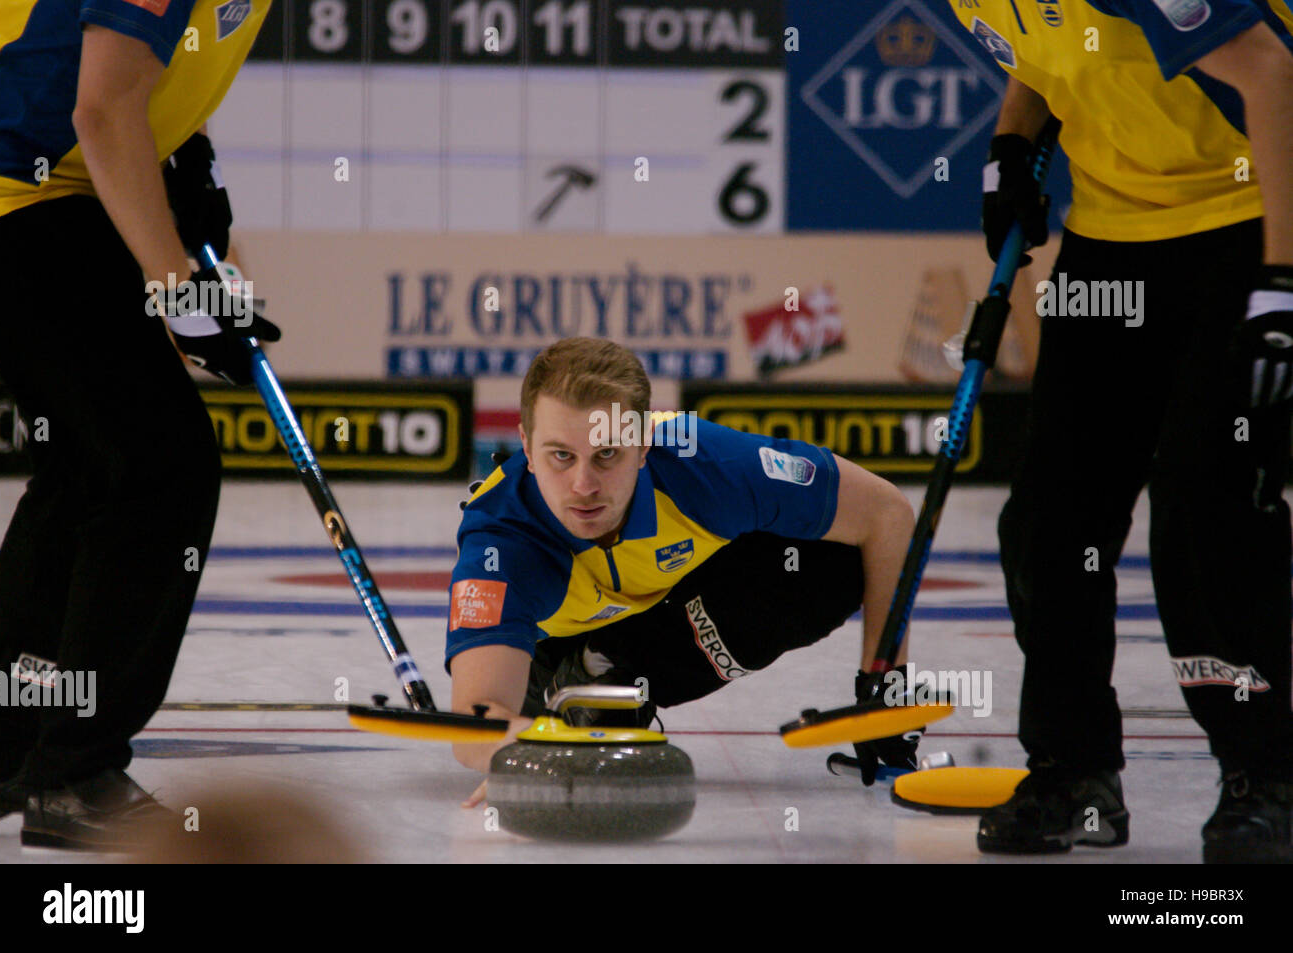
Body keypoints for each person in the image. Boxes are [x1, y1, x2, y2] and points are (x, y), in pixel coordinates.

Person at [948, 0, 1293, 861]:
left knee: (1209, 505)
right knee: (1048, 522)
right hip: (1110, 239)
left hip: (1246, 220)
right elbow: (1048, 42)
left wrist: (1284, 281)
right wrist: (1014, 145)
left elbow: (1273, 74)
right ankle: (1072, 772)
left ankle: (1267, 774)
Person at [0, 0, 279, 849]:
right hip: (20, 188)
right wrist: (180, 292)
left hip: (57, 188)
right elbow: (101, 107)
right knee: (158, 462)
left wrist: (188, 180)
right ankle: (73, 771)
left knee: (95, 464)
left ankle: (12, 739)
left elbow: (143, 90)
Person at [446, 336, 919, 806]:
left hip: (661, 611)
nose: (583, 485)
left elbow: (887, 516)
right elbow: (476, 721)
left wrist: (884, 688)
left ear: (645, 441)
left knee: (831, 566)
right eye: (561, 456)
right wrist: (531, 749)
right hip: (544, 663)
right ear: (526, 446)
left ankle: (612, 674)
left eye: (608, 453)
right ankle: (579, 689)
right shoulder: (501, 536)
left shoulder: (705, 461)